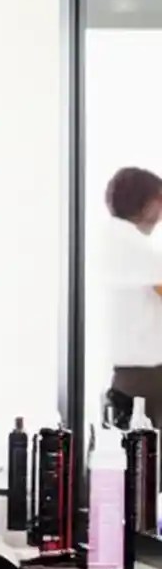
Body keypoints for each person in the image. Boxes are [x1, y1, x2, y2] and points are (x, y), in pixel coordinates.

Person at [101, 167, 162, 427]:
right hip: (145, 376)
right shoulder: (133, 244)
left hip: (125, 374)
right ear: (147, 202)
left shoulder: (111, 239)